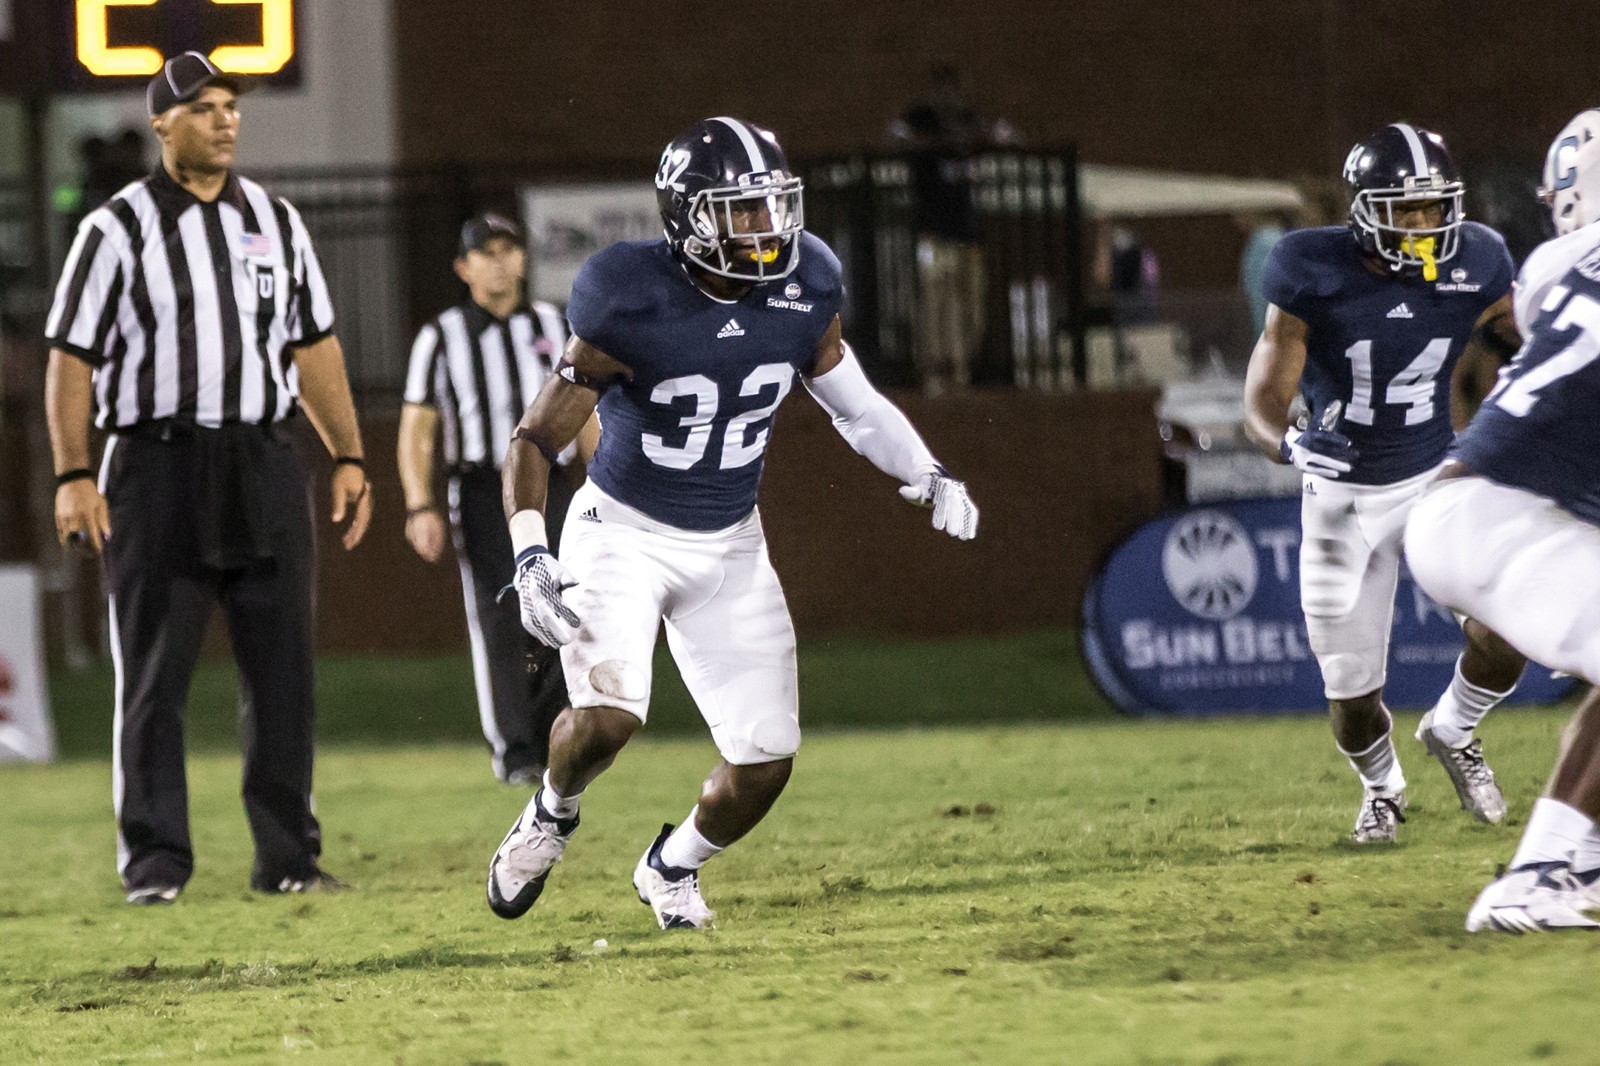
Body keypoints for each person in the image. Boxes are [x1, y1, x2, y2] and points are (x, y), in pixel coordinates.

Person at [484, 117, 978, 930]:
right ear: (687, 217)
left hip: (730, 541)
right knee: (608, 719)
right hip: (622, 532)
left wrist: (927, 471)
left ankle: (669, 867)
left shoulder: (806, 285)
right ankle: (550, 811)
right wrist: (532, 555)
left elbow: (855, 408)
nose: (767, 228)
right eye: (742, 212)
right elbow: (538, 435)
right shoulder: (627, 295)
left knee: (765, 760)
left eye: (774, 206)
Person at [43, 52, 372, 904]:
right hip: (156, 465)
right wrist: (74, 471)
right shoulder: (114, 229)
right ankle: (155, 863)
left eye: (231, 106)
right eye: (203, 107)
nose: (225, 119)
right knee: (154, 675)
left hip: (263, 460)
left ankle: (288, 858)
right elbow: (71, 358)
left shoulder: (275, 219)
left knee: (284, 673)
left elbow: (316, 347)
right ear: (162, 122)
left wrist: (347, 454)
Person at [1242, 123, 1527, 844]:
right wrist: (1293, 440)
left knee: (1507, 628)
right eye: (1406, 209)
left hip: (1431, 476)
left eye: (1435, 207)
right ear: (1364, 209)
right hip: (1341, 496)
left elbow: (1537, 339)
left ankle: (1454, 727)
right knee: (1352, 702)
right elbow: (1263, 396)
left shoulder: (1480, 260)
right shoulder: (1309, 265)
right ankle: (1383, 787)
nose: (1425, 225)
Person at [1405, 109, 1600, 931]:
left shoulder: (1559, 263)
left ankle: (1582, 858)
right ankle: (1538, 876)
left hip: (1483, 507)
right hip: (1505, 509)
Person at [397, 213, 596, 786]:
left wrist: (601, 478)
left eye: (509, 249)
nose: (500, 260)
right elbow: (418, 427)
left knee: (561, 603)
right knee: (500, 613)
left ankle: (559, 733)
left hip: (553, 482)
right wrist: (419, 504)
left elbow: (583, 408)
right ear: (463, 267)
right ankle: (515, 749)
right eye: (486, 251)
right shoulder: (441, 336)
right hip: (483, 487)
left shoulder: (554, 324)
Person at [888, 64, 1012, 393]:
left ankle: (962, 369)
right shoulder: (921, 119)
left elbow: (1004, 134)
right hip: (933, 232)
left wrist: (974, 136)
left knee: (971, 305)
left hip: (969, 233)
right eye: (943, 91)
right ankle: (936, 372)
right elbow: (896, 135)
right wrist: (940, 141)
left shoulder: (971, 120)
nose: (949, 98)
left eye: (954, 91)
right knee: (934, 304)